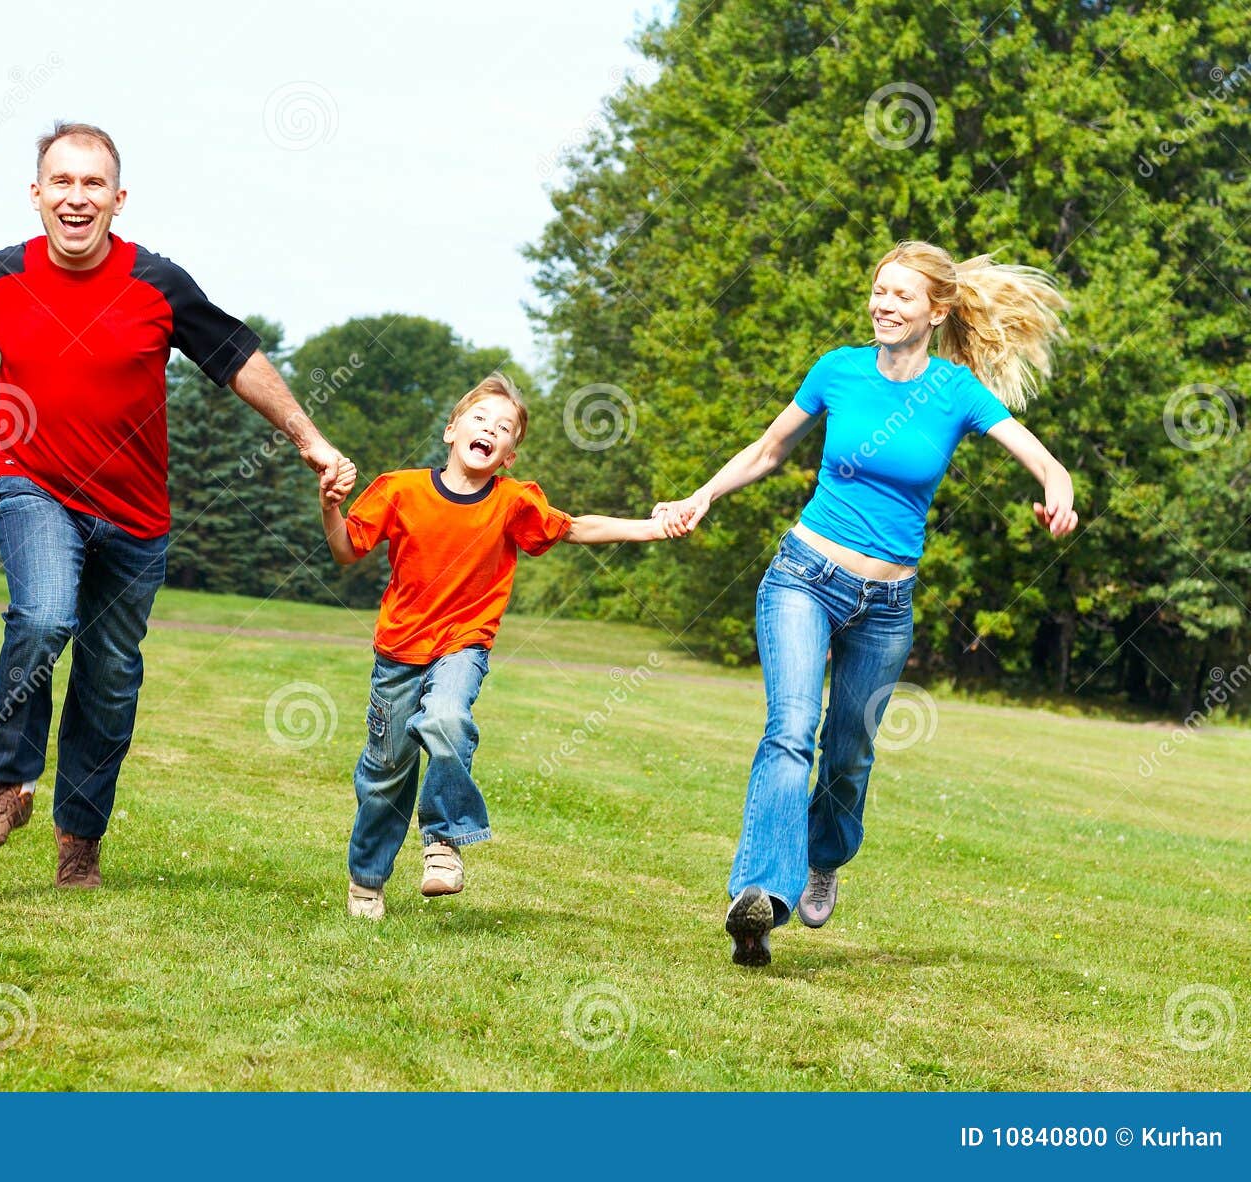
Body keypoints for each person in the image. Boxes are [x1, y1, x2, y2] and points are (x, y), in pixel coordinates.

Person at [0, 121, 355, 888]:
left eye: (93, 184)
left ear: (118, 200)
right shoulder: (4, 273)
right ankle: (7, 783)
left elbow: (236, 357)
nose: (76, 197)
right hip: (34, 486)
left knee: (110, 676)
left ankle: (79, 842)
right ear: (36, 196)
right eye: (62, 181)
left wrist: (308, 438)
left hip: (135, 516)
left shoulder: (159, 283)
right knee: (45, 616)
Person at [655, 240, 1078, 966]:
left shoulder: (954, 392)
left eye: (901, 296)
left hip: (885, 604)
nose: (884, 305)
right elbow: (767, 452)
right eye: (879, 292)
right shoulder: (838, 370)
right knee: (790, 729)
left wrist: (1057, 498)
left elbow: (1044, 461)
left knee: (848, 753)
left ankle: (824, 858)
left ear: (935, 310)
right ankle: (757, 898)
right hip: (804, 574)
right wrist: (702, 497)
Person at [322, 373, 670, 919]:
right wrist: (330, 508)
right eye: (480, 419)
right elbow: (346, 552)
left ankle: (443, 843)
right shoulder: (398, 489)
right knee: (385, 772)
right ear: (451, 430)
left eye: (504, 428)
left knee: (447, 719)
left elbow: (576, 528)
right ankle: (367, 880)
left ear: (508, 455)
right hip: (398, 651)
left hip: (463, 644)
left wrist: (649, 529)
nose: (490, 429)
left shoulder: (513, 503)